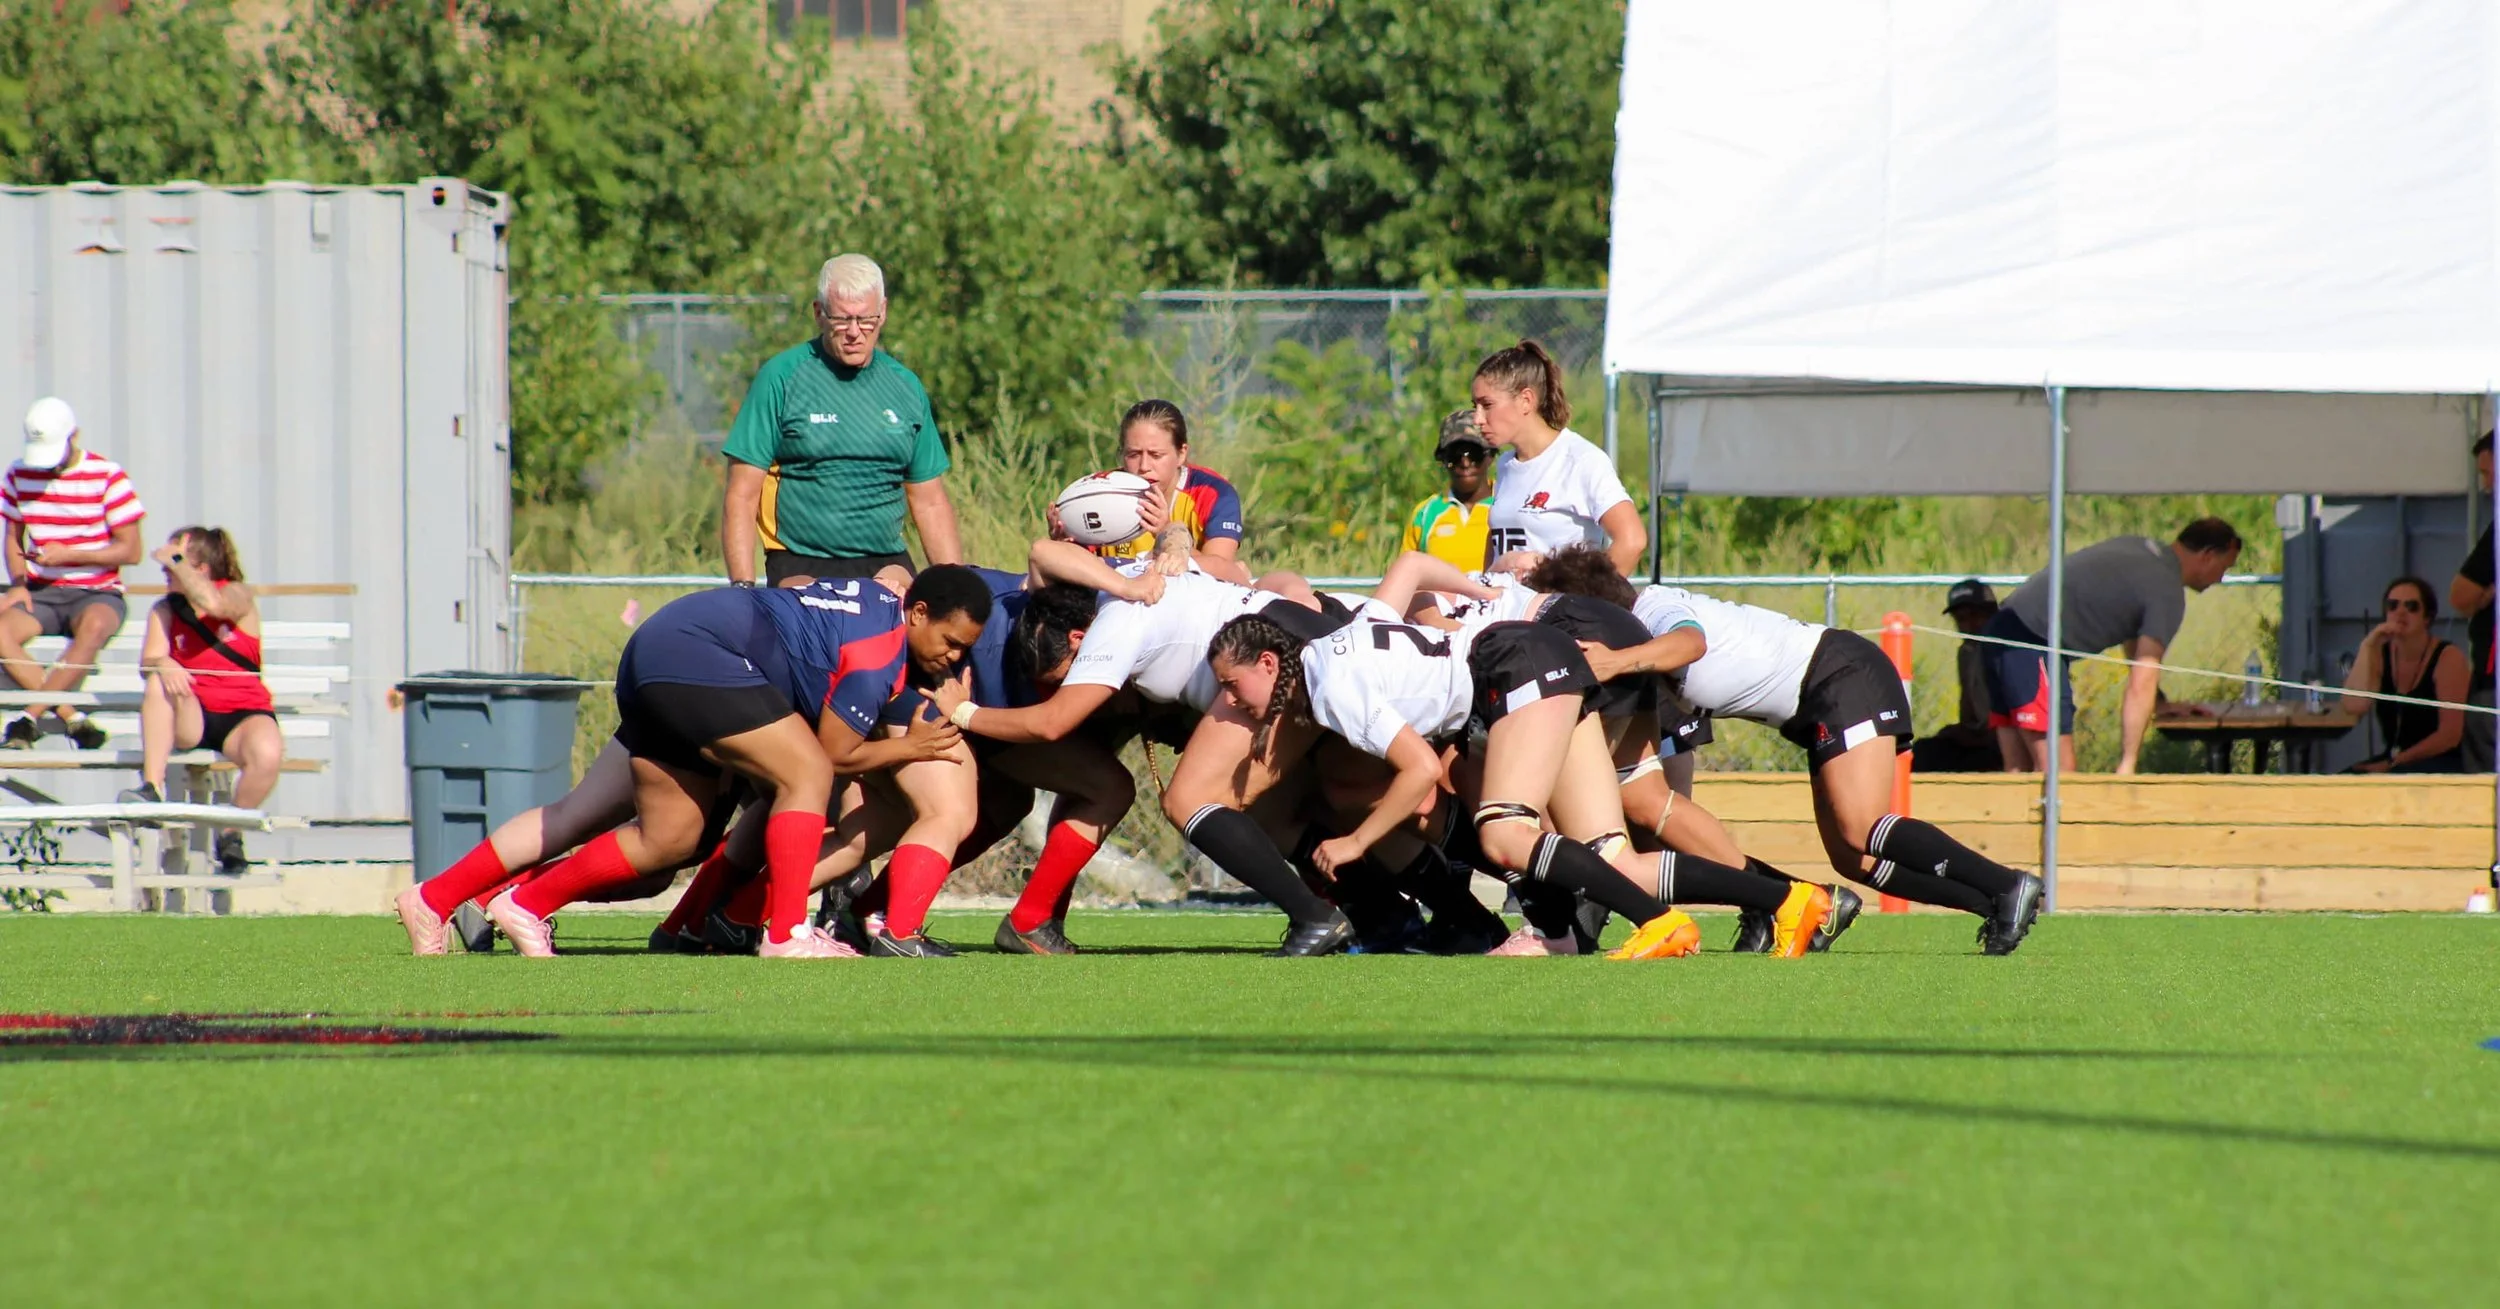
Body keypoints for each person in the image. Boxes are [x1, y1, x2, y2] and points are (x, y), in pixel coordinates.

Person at [1544, 549, 2046, 955]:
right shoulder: (1636, 642)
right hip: (1817, 699)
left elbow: (1690, 643)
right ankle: (1984, 901)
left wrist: (1614, 661)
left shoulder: (1651, 611)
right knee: (1852, 860)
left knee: (1862, 825)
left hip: (1841, 673)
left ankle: (2006, 884)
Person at [1202, 610, 1706, 961]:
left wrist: (1356, 842)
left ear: (1269, 663)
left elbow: (1419, 768)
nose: (1229, 699)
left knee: (1508, 834)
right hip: (1499, 677)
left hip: (1506, 674)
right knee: (1541, 837)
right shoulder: (1326, 659)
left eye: (1231, 684)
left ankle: (1649, 919)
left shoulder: (1331, 685)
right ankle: (1776, 901)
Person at [721, 254, 963, 586]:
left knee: (913, 611)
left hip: (884, 561)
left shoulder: (905, 386)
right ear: (819, 314)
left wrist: (956, 590)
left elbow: (930, 502)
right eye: (841, 319)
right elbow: (742, 494)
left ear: (884, 313)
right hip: (800, 560)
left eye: (866, 320)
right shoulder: (782, 378)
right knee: (813, 619)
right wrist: (742, 587)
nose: (854, 333)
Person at [1981, 519, 2243, 775]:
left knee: (2017, 772)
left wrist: (2158, 703)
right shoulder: (2166, 590)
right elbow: (2144, 673)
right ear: (2207, 555)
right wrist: (2127, 766)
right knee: (2059, 775)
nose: (2221, 579)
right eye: (2225, 568)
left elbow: (2133, 639)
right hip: (2032, 642)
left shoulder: (2141, 548)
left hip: (2001, 630)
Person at [114, 528, 281, 875]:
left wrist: (176, 560)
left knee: (268, 754)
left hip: (242, 713)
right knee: (159, 681)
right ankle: (152, 788)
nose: (165, 571)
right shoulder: (165, 609)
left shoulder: (236, 594)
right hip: (190, 712)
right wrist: (164, 662)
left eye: (175, 562)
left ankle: (232, 830)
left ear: (200, 569)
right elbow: (149, 661)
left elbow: (214, 605)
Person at [0, 397, 144, 750]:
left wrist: (72, 555)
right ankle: (71, 716)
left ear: (74, 436)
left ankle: (29, 717)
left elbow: (132, 550)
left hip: (97, 591)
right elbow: (13, 537)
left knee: (93, 628)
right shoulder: (20, 473)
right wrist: (19, 584)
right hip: (42, 592)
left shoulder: (107, 475)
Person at [1471, 342, 1645, 575]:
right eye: (1475, 406)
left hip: (1556, 610)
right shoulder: (1506, 465)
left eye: (1487, 405)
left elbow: (1632, 541)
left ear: (1526, 400)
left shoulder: (1581, 460)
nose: (1477, 419)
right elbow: (1497, 546)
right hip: (1509, 608)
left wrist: (1585, 603)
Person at [1081, 400, 1248, 583]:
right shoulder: (1097, 492)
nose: (1144, 466)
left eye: (1156, 455)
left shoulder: (1214, 493)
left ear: (1181, 454)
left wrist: (1166, 533)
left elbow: (1225, 573)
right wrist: (1067, 541)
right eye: (1133, 455)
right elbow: (1078, 567)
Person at [2340, 577, 2469, 773]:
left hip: (2440, 760)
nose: (2400, 612)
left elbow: (2450, 734)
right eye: (2392, 605)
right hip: (2395, 758)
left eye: (2411, 606)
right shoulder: (2379, 653)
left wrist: (2394, 763)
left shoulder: (2447, 657)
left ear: (2427, 617)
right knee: (2342, 784)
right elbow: (2354, 705)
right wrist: (2367, 646)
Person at [1911, 579, 2005, 773]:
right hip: (1980, 740)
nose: (1968, 625)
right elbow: (1971, 718)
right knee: (1923, 753)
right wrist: (1959, 732)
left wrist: (1969, 735)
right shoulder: (1967, 653)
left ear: (1992, 612)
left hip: (2005, 742)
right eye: (1960, 619)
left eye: (1975, 615)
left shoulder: (2006, 651)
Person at [1400, 409, 1497, 570]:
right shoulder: (1424, 514)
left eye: (1474, 454)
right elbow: (1404, 577)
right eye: (1454, 456)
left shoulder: (1510, 506)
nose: (1465, 463)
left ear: (1491, 455)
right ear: (1442, 459)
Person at [2453, 432, 2495, 771]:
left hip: (2493, 687)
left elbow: (2461, 596)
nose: (2486, 486)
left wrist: (2484, 595)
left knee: (2483, 791)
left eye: (2488, 474)